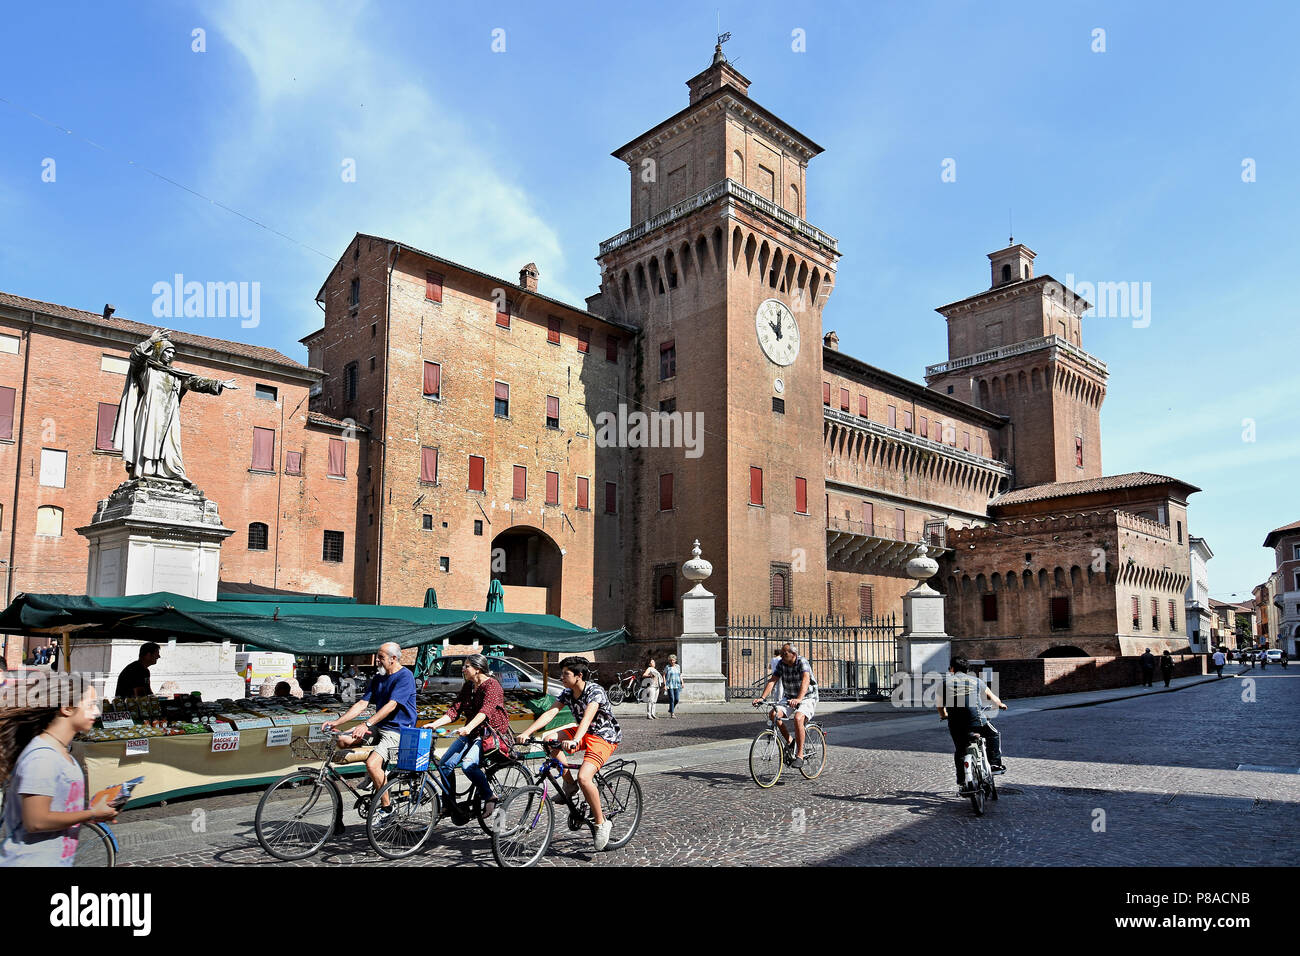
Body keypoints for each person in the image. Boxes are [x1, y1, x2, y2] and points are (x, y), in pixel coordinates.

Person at [0, 674, 120, 865]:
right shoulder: (42, 757)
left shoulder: (60, 752)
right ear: (66, 708)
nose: (96, 712)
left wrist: (96, 808)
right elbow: (36, 821)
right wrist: (92, 814)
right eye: (90, 705)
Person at [516, 656, 622, 851]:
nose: (561, 677)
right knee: (549, 739)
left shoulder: (594, 691)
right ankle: (569, 784)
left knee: (585, 777)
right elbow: (550, 713)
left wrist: (574, 740)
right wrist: (527, 732)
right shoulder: (567, 693)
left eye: (566, 674)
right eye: (562, 673)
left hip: (603, 736)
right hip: (582, 732)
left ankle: (601, 823)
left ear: (579, 675)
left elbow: (588, 716)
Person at [112, 328, 238, 484]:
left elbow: (195, 382)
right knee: (150, 439)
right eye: (168, 351)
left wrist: (218, 383)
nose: (171, 356)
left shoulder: (175, 375)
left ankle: (172, 471)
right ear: (159, 352)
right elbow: (136, 357)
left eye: (173, 353)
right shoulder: (146, 369)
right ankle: (148, 470)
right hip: (150, 412)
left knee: (172, 443)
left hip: (170, 415)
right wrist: (151, 341)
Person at [323, 642, 416, 826]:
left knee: (373, 764)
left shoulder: (405, 676)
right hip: (379, 727)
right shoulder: (379, 677)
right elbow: (361, 704)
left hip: (398, 730)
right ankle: (375, 774)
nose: (377, 662)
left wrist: (366, 723)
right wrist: (337, 722)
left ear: (393, 658)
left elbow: (392, 705)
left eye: (381, 658)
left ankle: (387, 809)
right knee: (342, 740)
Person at [426, 654, 512, 818]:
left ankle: (489, 796)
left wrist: (468, 727)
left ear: (478, 668)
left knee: (468, 765)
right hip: (471, 732)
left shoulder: (492, 686)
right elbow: (454, 710)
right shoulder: (468, 686)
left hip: (489, 733)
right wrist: (434, 724)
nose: (463, 669)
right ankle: (449, 804)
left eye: (467, 666)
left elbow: (485, 712)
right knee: (444, 765)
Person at [937, 656, 1007, 789]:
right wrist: (1001, 704)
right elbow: (992, 698)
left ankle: (962, 781)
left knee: (960, 749)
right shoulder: (976, 681)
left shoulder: (944, 683)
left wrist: (944, 715)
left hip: (955, 722)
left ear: (951, 669)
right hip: (976, 720)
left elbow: (940, 706)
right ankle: (994, 764)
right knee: (993, 734)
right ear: (967, 669)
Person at [752, 643, 818, 769]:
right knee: (773, 714)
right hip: (789, 697)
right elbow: (773, 680)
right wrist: (762, 698)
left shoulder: (802, 662)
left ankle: (800, 755)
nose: (781, 655)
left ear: (793, 654)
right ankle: (790, 741)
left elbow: (806, 680)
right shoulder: (782, 664)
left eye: (784, 653)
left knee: (798, 718)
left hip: (807, 697)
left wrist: (799, 698)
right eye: (781, 653)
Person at [664, 654, 682, 718]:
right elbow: (664, 675)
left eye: (673, 660)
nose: (672, 661)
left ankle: (671, 709)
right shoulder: (667, 667)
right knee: (672, 698)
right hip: (670, 685)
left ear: (675, 660)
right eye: (671, 660)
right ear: (669, 661)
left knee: (676, 699)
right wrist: (665, 684)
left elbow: (680, 675)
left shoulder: (678, 666)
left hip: (677, 684)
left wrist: (682, 682)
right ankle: (672, 713)